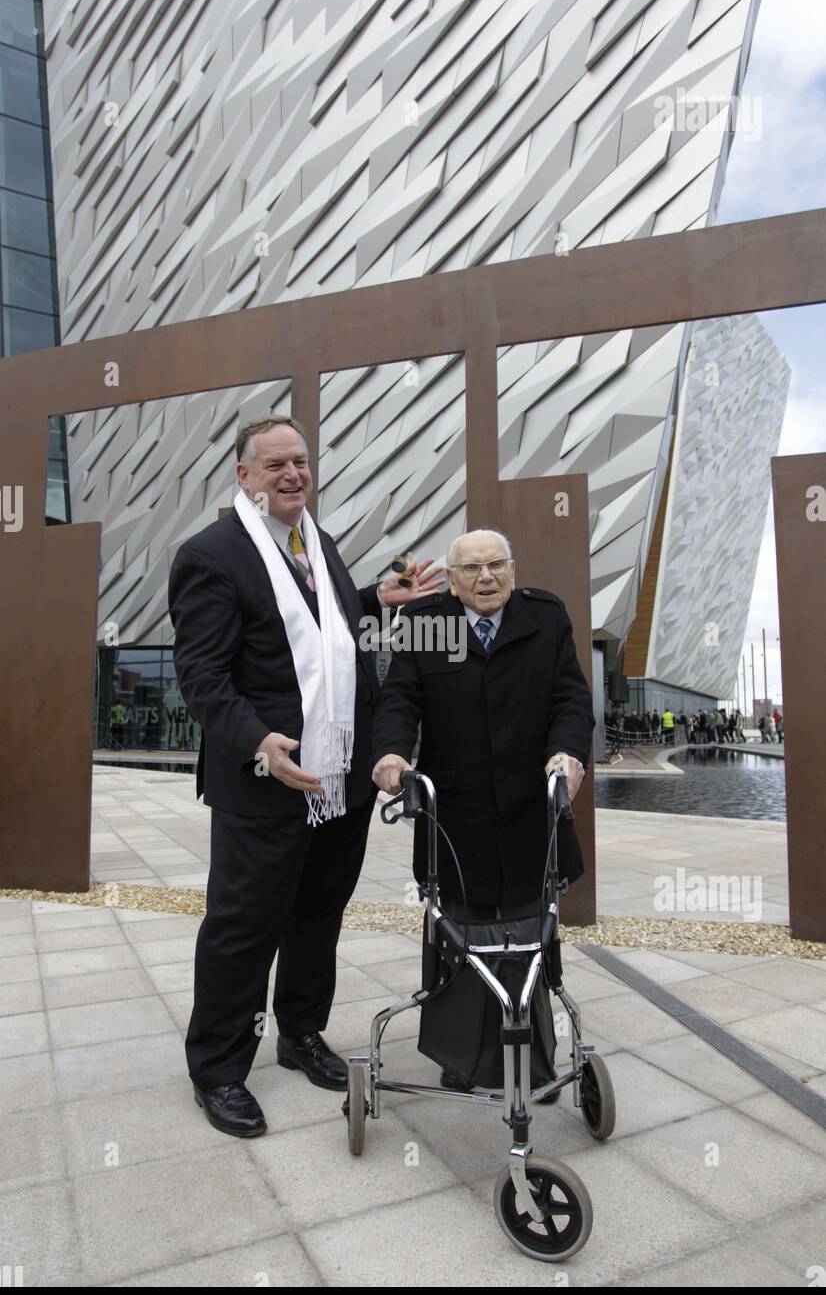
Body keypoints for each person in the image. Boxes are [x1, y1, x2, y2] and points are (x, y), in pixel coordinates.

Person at [168, 414, 442, 1137]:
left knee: (318, 917)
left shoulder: (317, 545)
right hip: (268, 779)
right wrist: (258, 741)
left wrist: (375, 600)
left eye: (302, 462)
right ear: (244, 476)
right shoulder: (211, 555)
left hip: (339, 780)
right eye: (275, 464)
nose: (293, 474)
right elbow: (201, 675)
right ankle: (219, 1068)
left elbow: (324, 629)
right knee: (243, 926)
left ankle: (300, 1035)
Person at [371, 529, 595, 1090]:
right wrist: (393, 753)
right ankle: (464, 1054)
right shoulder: (427, 623)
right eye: (472, 570)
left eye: (497, 565)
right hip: (457, 811)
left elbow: (571, 698)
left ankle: (535, 1057)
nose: (487, 577)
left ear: (513, 570)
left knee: (528, 924)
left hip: (528, 804)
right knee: (463, 927)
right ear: (451, 579)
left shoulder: (545, 617)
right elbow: (401, 697)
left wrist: (567, 753)